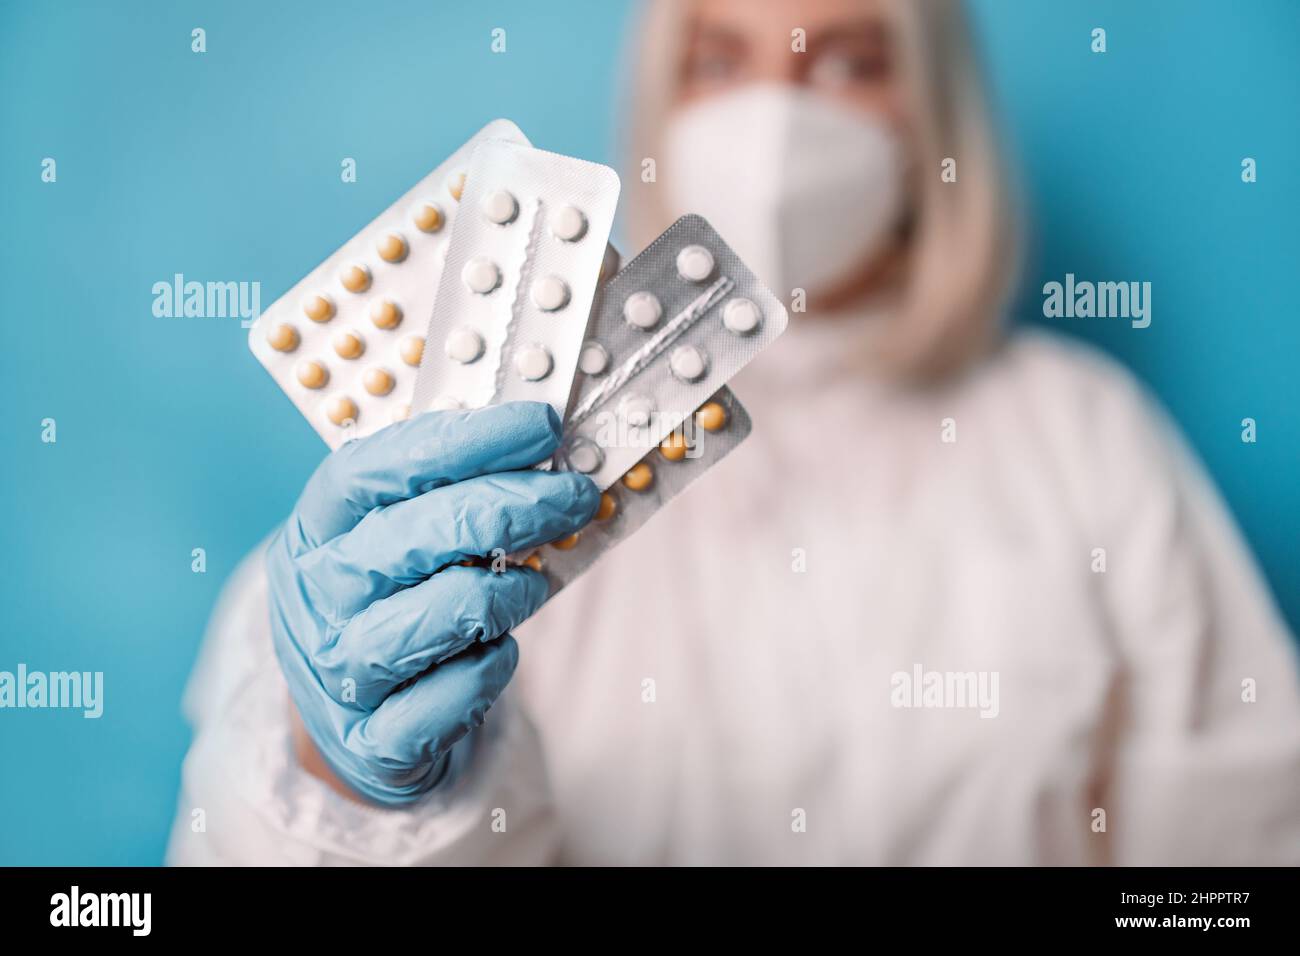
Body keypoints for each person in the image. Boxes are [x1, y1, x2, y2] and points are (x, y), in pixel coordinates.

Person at [167, 0, 1300, 865]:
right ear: (663, 98)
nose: (774, 117)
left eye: (846, 59)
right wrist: (348, 781)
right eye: (720, 59)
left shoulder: (1081, 433)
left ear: (930, 120)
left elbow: (1237, 845)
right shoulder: (480, 434)